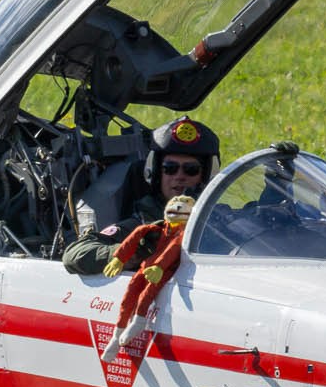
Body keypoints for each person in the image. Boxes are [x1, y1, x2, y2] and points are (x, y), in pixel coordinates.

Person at [60, 116, 220, 273]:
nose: (179, 176)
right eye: (169, 168)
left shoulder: (221, 219)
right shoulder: (145, 223)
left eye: (191, 169)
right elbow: (75, 253)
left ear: (206, 176)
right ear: (157, 173)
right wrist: (131, 251)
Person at [101, 194, 197, 359]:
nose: (178, 206)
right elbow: (136, 234)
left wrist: (159, 267)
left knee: (146, 294)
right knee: (129, 295)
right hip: (148, 266)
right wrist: (119, 258)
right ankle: (117, 334)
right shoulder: (158, 228)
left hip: (163, 269)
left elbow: (173, 248)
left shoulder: (182, 234)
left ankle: (138, 321)